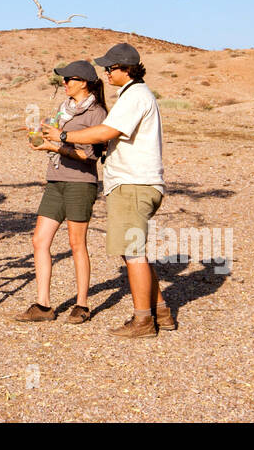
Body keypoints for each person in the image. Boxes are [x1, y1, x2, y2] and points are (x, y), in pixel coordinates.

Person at [43, 43, 173, 338]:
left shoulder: (134, 96)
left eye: (110, 68)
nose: (107, 72)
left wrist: (63, 135)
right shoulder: (135, 95)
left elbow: (106, 132)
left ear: (126, 69)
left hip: (133, 183)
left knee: (132, 252)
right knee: (133, 250)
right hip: (138, 182)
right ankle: (161, 311)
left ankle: (143, 321)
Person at [15, 60, 108, 324]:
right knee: (39, 241)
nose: (64, 83)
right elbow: (55, 135)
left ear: (85, 82)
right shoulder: (63, 109)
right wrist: (41, 137)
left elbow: (88, 156)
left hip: (81, 183)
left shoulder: (96, 113)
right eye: (63, 79)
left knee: (76, 244)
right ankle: (43, 305)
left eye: (69, 79)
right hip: (55, 180)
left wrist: (54, 146)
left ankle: (82, 304)